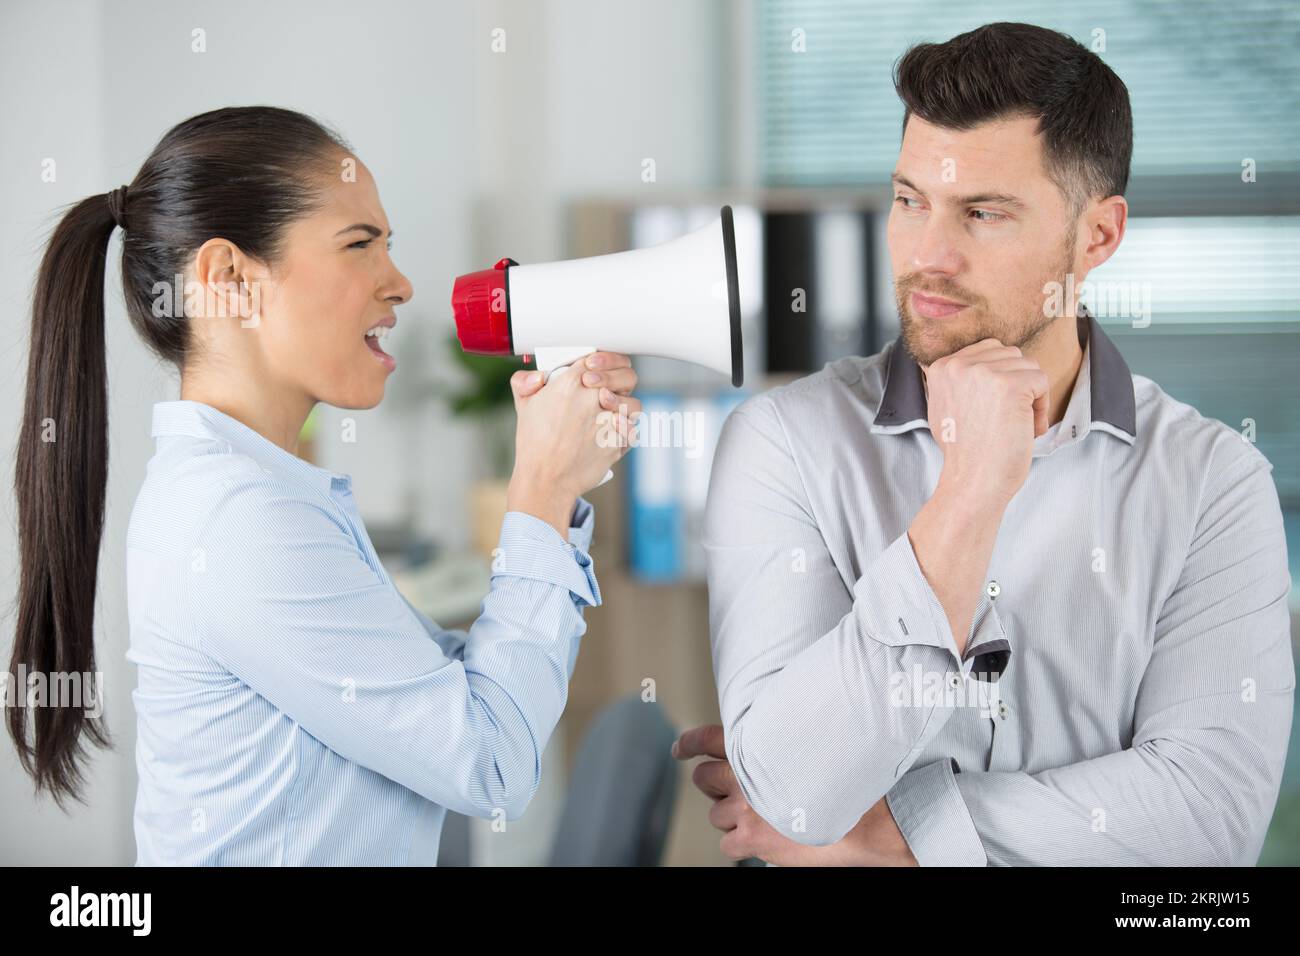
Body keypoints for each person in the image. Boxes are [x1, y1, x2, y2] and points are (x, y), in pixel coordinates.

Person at [674, 22, 1293, 866]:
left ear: (1098, 237)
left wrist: (887, 835)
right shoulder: (785, 442)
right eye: (909, 200)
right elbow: (798, 784)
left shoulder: (1215, 483)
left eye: (983, 213)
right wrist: (970, 491)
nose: (928, 255)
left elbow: (1207, 822)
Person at [8, 105, 639, 864]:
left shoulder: (258, 497)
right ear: (230, 278)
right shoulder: (238, 521)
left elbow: (457, 692)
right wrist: (538, 493)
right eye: (360, 244)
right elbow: (489, 762)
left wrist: (556, 488)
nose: (400, 283)